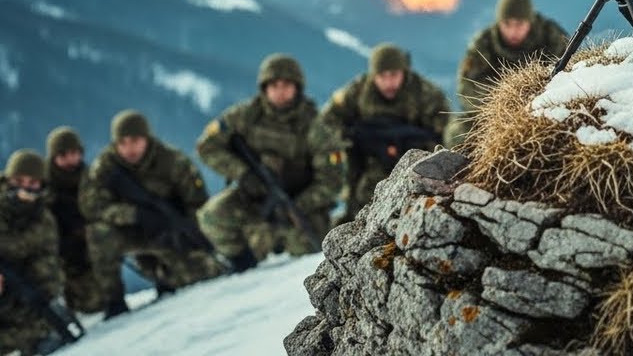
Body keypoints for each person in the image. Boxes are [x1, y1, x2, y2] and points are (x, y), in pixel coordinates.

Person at [196, 54, 345, 272]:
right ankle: (242, 264)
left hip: (300, 205)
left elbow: (332, 181)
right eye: (274, 85)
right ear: (264, 87)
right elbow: (207, 146)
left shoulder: (314, 125)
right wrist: (243, 173)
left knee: (310, 255)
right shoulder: (245, 116)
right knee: (212, 216)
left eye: (287, 85)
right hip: (254, 196)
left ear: (297, 87)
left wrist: (300, 205)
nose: (280, 91)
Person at [79, 110, 223, 318]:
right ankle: (114, 301)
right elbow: (92, 207)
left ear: (147, 138)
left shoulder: (173, 161)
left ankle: (166, 276)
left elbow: (198, 205)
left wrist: (181, 230)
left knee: (204, 275)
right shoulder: (105, 167)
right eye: (123, 142)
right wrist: (134, 214)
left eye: (136, 140)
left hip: (170, 233)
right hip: (131, 232)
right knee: (98, 233)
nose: (130, 148)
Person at [323, 43, 450, 223]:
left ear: (404, 72)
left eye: (394, 75)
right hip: (368, 162)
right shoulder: (358, 91)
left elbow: (445, 129)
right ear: (373, 75)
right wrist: (349, 141)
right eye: (382, 76)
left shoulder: (426, 93)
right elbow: (328, 121)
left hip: (415, 160)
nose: (389, 82)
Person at [444, 0, 569, 148]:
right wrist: (501, 103)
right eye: (507, 24)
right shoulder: (483, 43)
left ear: (530, 22)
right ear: (499, 23)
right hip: (493, 114)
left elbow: (571, 73)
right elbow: (467, 87)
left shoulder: (552, 36)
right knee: (457, 132)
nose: (513, 31)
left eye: (519, 24)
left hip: (545, 109)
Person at [0, 150, 64, 356]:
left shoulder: (44, 221)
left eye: (32, 182)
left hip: (18, 291)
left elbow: (48, 266)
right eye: (19, 180)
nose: (25, 187)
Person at [44, 126, 102, 314]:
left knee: (96, 303)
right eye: (64, 155)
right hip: (58, 252)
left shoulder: (90, 177)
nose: (71, 160)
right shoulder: (42, 186)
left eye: (74, 153)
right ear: (54, 157)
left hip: (89, 248)